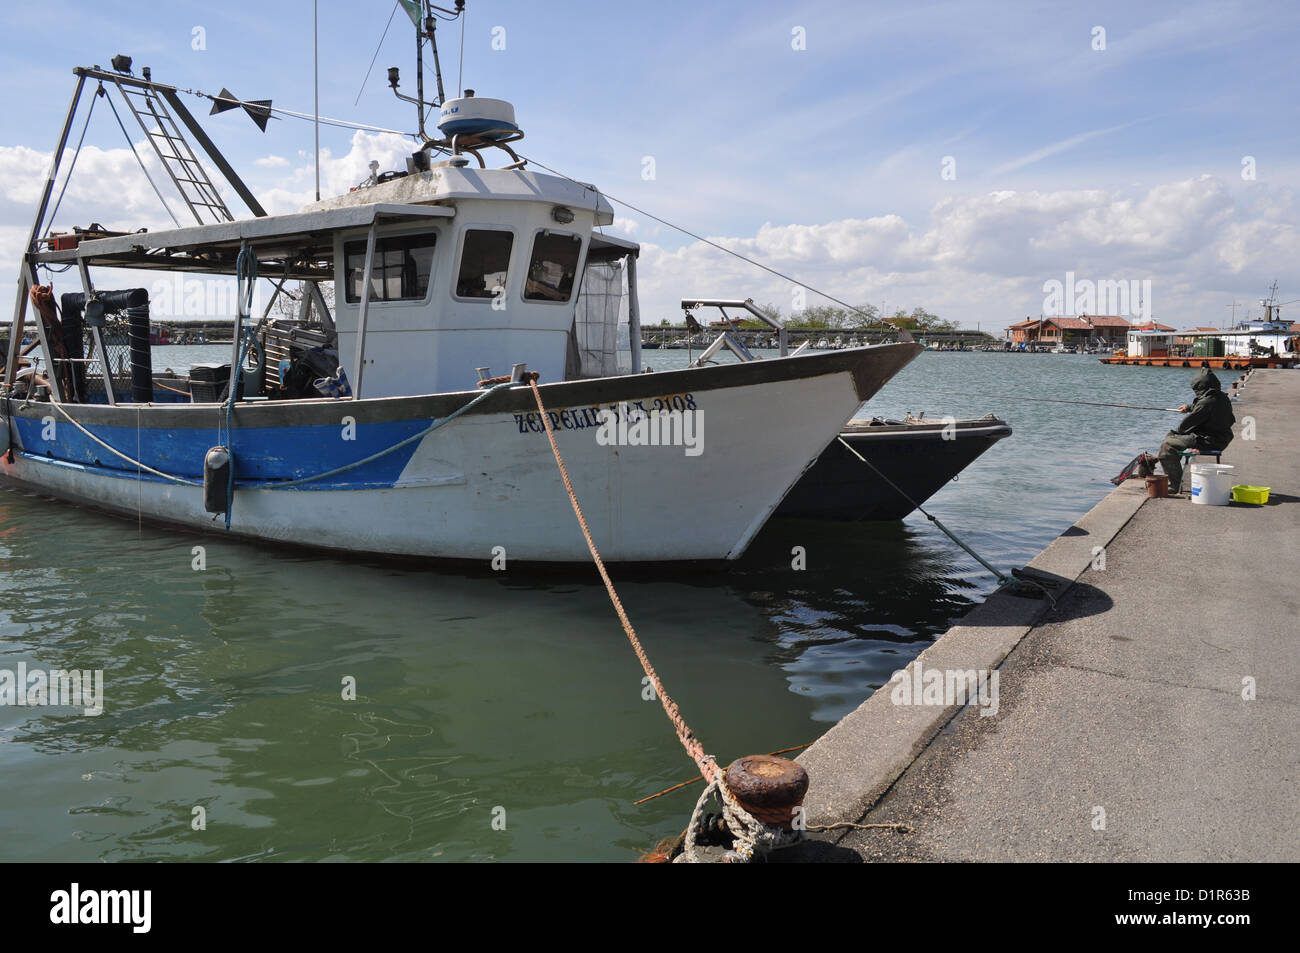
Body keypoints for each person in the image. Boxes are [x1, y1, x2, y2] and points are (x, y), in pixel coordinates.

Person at [1158, 367, 1235, 495]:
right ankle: (1173, 474)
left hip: (1210, 440)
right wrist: (1189, 407)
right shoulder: (1221, 397)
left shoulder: (1205, 403)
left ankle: (1174, 485)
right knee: (1172, 439)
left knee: (1167, 445)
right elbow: (1204, 406)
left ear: (1201, 387)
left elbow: (1184, 427)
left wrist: (1173, 434)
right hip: (1222, 437)